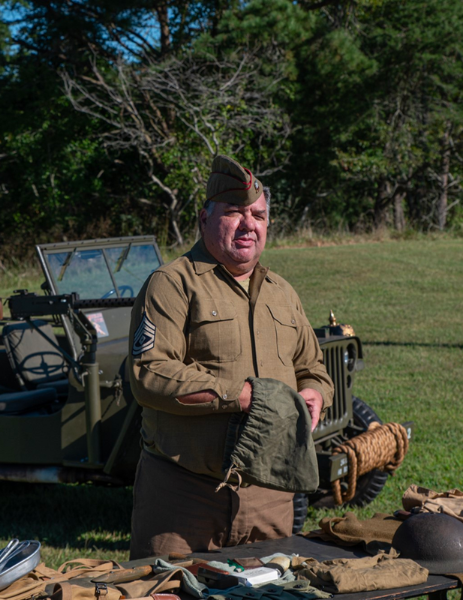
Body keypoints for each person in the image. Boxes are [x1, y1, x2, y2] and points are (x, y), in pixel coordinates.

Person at [127, 154, 334, 559]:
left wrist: (315, 393)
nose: (248, 224)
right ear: (204, 219)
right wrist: (242, 396)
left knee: (269, 586)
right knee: (169, 587)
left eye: (258, 215)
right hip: (185, 497)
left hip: (270, 497)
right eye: (234, 212)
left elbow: (312, 368)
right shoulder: (172, 284)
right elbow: (149, 375)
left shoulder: (282, 292)